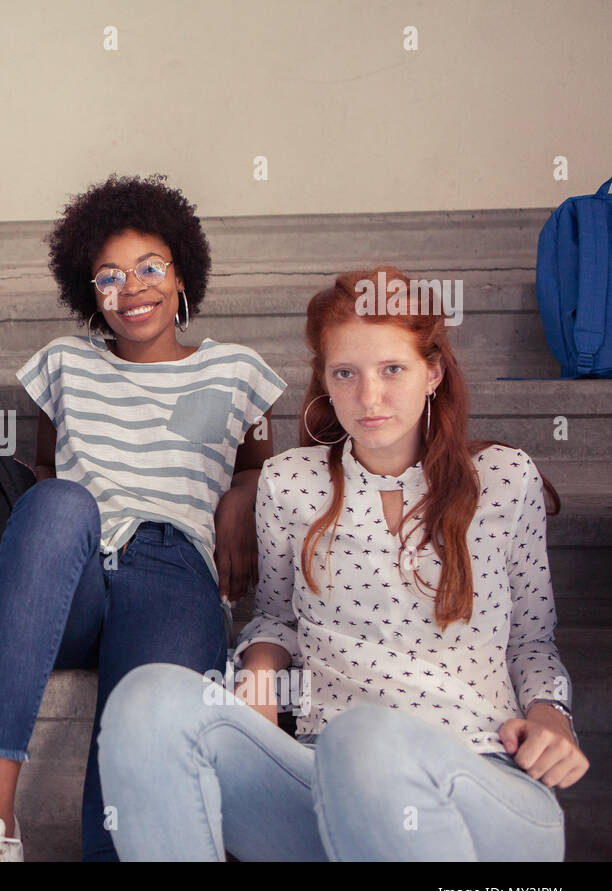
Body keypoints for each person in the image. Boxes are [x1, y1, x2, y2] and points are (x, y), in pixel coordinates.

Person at [98, 266, 589, 861]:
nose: (369, 397)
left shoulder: (506, 480)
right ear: (325, 382)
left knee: (367, 738)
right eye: (346, 374)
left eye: (393, 370)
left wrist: (553, 716)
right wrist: (259, 676)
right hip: (323, 774)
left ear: (432, 372)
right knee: (146, 700)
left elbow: (533, 644)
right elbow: (276, 621)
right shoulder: (288, 482)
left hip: (481, 777)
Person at [0, 175, 286, 862]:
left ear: (182, 272)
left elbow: (254, 464)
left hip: (175, 569)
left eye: (149, 267)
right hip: (74, 573)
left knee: (127, 823)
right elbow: (46, 473)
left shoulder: (236, 370)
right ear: (88, 291)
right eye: (109, 276)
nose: (132, 288)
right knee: (60, 499)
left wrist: (245, 492)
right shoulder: (65, 363)